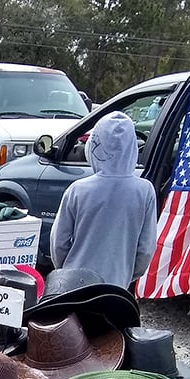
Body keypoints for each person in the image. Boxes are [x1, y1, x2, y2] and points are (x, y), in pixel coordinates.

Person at [49, 111, 156, 289]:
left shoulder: (77, 190)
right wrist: (127, 273)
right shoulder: (145, 191)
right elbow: (145, 250)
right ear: (132, 147)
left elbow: (58, 243)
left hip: (74, 284)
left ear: (94, 145)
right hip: (116, 286)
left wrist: (65, 270)